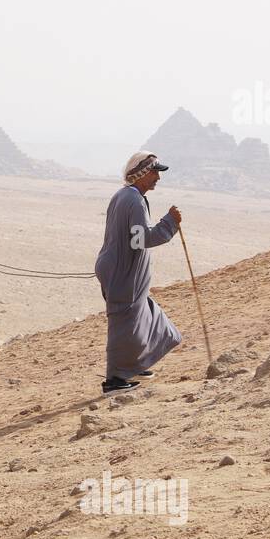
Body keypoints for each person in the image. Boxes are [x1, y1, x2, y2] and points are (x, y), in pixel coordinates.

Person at [94, 151, 183, 394]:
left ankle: (135, 363)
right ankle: (115, 380)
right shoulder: (132, 199)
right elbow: (140, 239)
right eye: (154, 172)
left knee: (144, 315)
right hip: (123, 270)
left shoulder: (128, 195)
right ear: (142, 173)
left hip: (122, 268)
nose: (157, 178)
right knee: (125, 323)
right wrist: (170, 223)